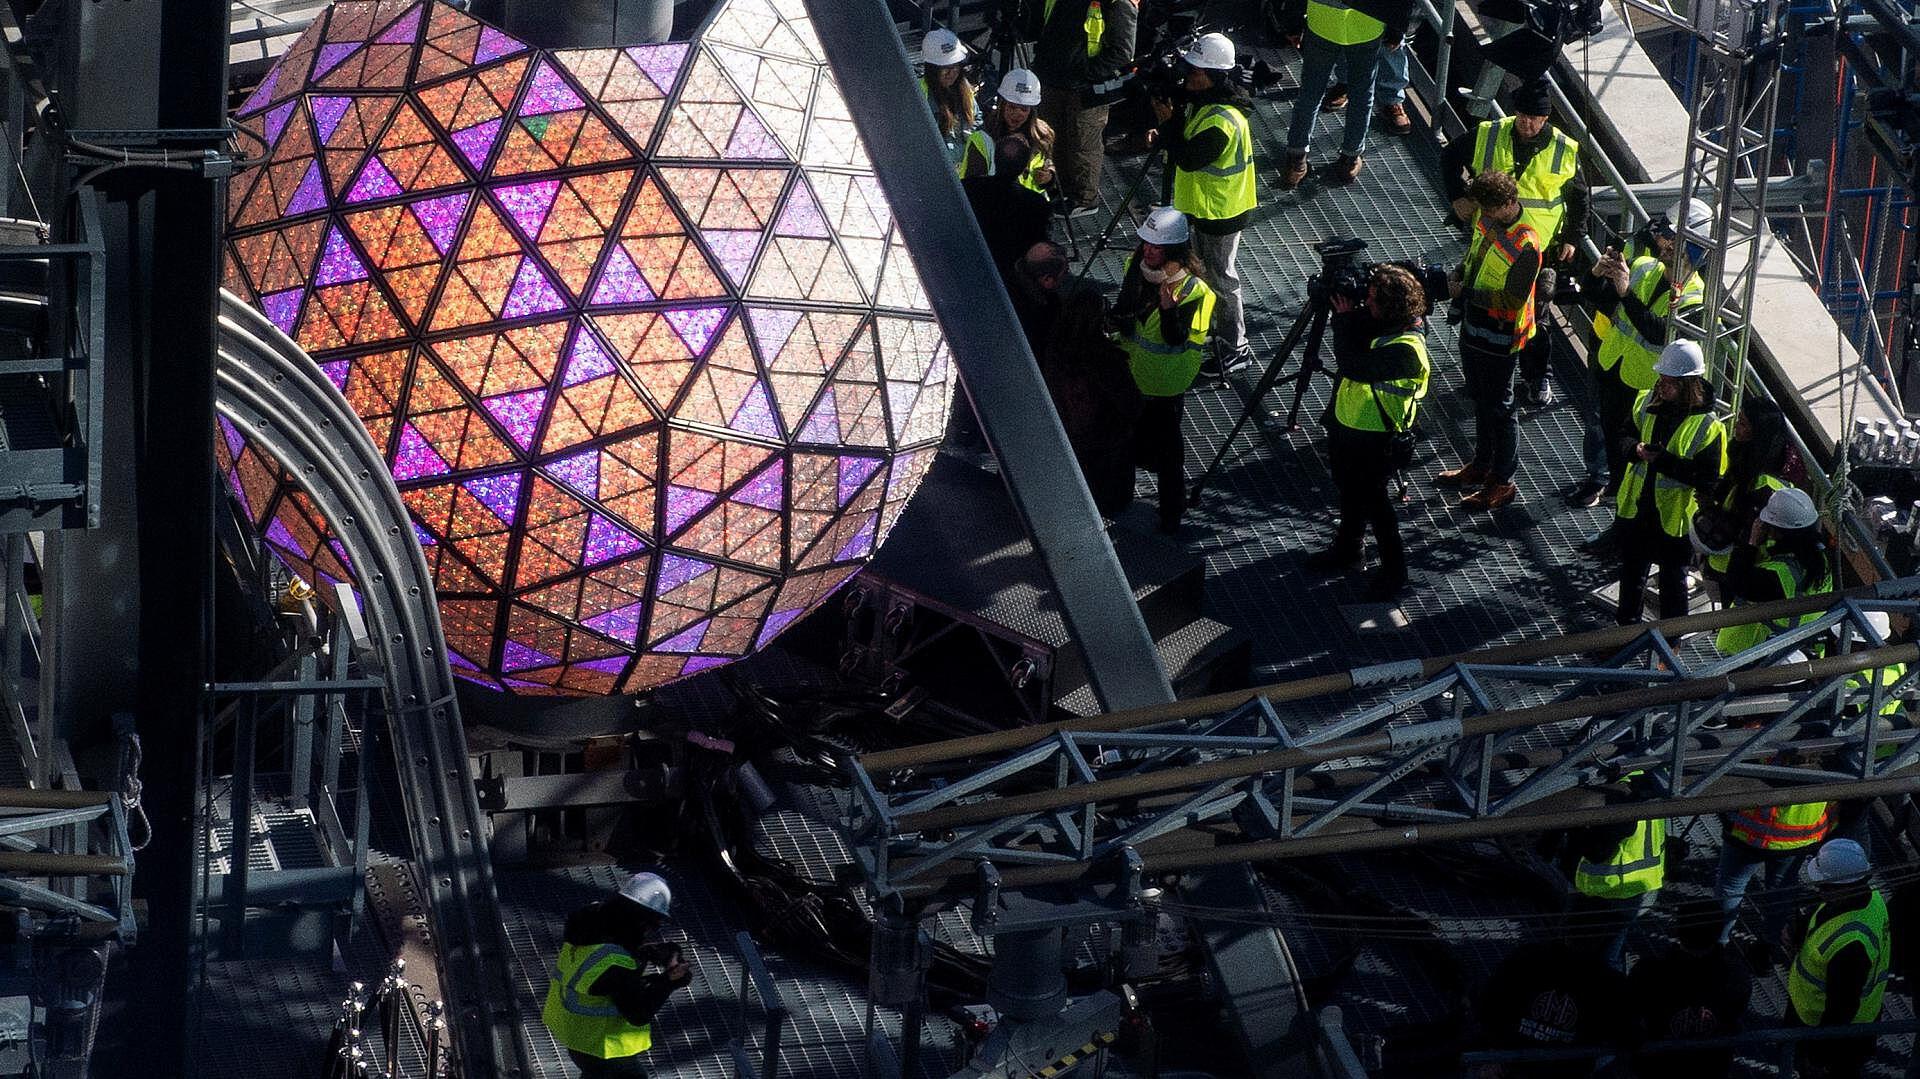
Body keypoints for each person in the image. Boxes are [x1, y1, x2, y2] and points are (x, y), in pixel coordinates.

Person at [1442, 79, 1589, 409]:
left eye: (1534, 118)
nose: (1526, 123)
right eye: (1522, 115)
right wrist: (1457, 197)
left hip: (1536, 248)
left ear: (1545, 118)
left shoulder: (1564, 149)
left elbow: (1579, 198)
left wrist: (1572, 237)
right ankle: (1477, 381)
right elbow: (1450, 156)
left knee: (1536, 316)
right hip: (1491, 241)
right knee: (1480, 304)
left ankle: (1537, 378)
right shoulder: (1491, 133)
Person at [1569, 200, 1710, 509]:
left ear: (1691, 250)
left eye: (1673, 240)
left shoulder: (1694, 297)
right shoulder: (1645, 266)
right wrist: (1597, 273)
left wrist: (1625, 293)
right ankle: (1608, 488)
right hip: (1611, 365)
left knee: (1631, 454)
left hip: (1643, 386)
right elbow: (1600, 298)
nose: (1664, 242)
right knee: (1606, 434)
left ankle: (1622, 504)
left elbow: (1658, 332)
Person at [1305, 264, 1430, 600]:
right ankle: (1349, 548)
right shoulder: (1387, 323)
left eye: (1373, 300)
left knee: (1377, 505)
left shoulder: (1407, 350)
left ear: (1390, 308)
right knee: (1348, 489)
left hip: (1378, 437)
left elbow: (1353, 366)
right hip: (1350, 423)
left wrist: (1343, 320)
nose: (1367, 304)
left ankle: (1394, 571)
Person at [1149, 32, 1256, 376]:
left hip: (1220, 214)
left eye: (1195, 71)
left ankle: (1236, 346)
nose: (1188, 76)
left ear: (1214, 76)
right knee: (1203, 272)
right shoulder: (1206, 100)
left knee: (1222, 279)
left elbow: (1188, 158)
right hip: (1203, 207)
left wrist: (1167, 123)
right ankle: (1209, 326)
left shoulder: (1222, 121)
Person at [1436, 170, 1542, 511]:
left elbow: (1512, 299)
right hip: (1475, 327)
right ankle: (1482, 465)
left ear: (1509, 203)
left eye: (1491, 208)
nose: (1485, 213)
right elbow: (1476, 258)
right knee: (1481, 400)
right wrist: (1459, 273)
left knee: (1501, 407)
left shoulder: (1527, 244)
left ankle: (1503, 481)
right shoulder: (1487, 219)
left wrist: (1465, 293)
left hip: (1501, 335)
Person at [1610, 341, 1726, 624]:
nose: (1661, 387)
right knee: (1631, 575)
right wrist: (1634, 449)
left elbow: (1709, 480)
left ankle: (1672, 642)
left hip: (1675, 522)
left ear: (1687, 385)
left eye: (1669, 382)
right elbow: (1623, 435)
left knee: (1673, 584)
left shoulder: (1708, 426)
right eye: (1661, 379)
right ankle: (1625, 632)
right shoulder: (1648, 402)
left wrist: (1663, 461)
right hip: (1637, 509)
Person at [1115, 207, 1215, 534]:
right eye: (1146, 243)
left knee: (1169, 456)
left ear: (1173, 250)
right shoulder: (1135, 266)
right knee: (1123, 441)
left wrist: (1169, 310)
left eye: (1156, 247)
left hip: (1164, 383)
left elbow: (1175, 338)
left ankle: (1172, 514)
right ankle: (1118, 499)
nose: (1148, 250)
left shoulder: (1192, 290)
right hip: (1132, 372)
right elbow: (1124, 310)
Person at [543, 872, 692, 1077]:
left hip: (578, 1038)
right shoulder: (615, 964)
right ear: (642, 921)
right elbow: (638, 1012)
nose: (653, 931)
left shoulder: (589, 927)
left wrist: (647, 953)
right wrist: (669, 982)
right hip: (603, 1048)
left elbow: (610, 978)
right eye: (654, 924)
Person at [1021, 0, 1138, 217]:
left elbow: (1122, 52)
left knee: (1083, 143)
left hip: (1085, 89)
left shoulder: (1117, 4)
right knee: (1052, 138)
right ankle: (1058, 187)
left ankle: (1084, 199)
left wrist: (1085, 73)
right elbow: (1035, 27)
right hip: (1052, 80)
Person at [1280, 0, 1414, 188]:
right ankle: (1350, 159)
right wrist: (1396, 29)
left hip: (1323, 21)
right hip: (1366, 26)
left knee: (1310, 93)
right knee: (1362, 96)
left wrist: (1292, 24)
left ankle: (1296, 160)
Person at [1787, 839, 1891, 1079]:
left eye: (1824, 886)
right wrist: (1801, 931)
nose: (1818, 889)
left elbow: (1841, 1008)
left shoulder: (1852, 944)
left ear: (1842, 887)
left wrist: (1819, 1057)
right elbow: (1824, 917)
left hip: (1827, 1030)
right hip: (1831, 1019)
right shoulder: (1870, 897)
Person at [1471, 935, 1630, 1079]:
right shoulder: (1608, 983)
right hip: (1564, 1067)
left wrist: (1494, 1051)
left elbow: (1489, 1005)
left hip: (1513, 1057)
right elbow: (1627, 1035)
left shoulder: (1527, 958)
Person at [1042, 288, 1141, 515]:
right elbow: (1131, 405)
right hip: (1103, 445)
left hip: (1066, 437)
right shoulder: (1107, 359)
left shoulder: (1054, 350)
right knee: (1104, 498)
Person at [1626, 899, 1750, 1079]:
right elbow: (1736, 1014)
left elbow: (1631, 1014)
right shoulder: (1735, 974)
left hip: (1658, 1066)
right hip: (1711, 1066)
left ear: (1677, 930)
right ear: (1719, 932)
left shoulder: (1648, 972)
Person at [1713, 486, 1832, 656]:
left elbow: (1736, 581)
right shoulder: (1821, 558)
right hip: (1801, 649)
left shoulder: (1777, 576)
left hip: (1755, 653)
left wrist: (1752, 543)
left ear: (1777, 531)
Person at [1696, 396, 1790, 596]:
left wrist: (1708, 508)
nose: (1736, 426)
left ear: (1759, 432)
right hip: (1722, 559)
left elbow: (1741, 532)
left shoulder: (1763, 485)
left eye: (1743, 423)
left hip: (1739, 567)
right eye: (1739, 419)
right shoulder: (1741, 457)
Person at [1568, 803, 1666, 972]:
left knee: (1588, 950)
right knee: (1611, 952)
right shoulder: (1655, 791)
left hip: (1608, 887)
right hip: (1641, 884)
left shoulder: (1622, 799)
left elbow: (1597, 852)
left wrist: (1573, 825)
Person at [962, 133, 1055, 284]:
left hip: (966, 259)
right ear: (1024, 167)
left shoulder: (967, 188)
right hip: (1011, 276)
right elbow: (1039, 246)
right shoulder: (1037, 204)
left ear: (995, 159)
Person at [960, 68, 1057, 192]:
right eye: (1012, 107)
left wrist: (1049, 176)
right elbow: (973, 185)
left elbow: (1048, 162)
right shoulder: (983, 139)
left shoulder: (1043, 135)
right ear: (1002, 105)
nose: (1017, 114)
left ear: (1031, 110)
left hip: (1031, 202)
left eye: (1024, 109)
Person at [918, 29, 979, 172]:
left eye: (955, 66)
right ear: (932, 69)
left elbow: (977, 121)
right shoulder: (919, 94)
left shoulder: (965, 90)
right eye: (945, 68)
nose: (952, 73)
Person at [1009, 240, 1069, 351]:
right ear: (1047, 280)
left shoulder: (1000, 279)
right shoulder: (1045, 315)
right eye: (1065, 272)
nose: (1065, 277)